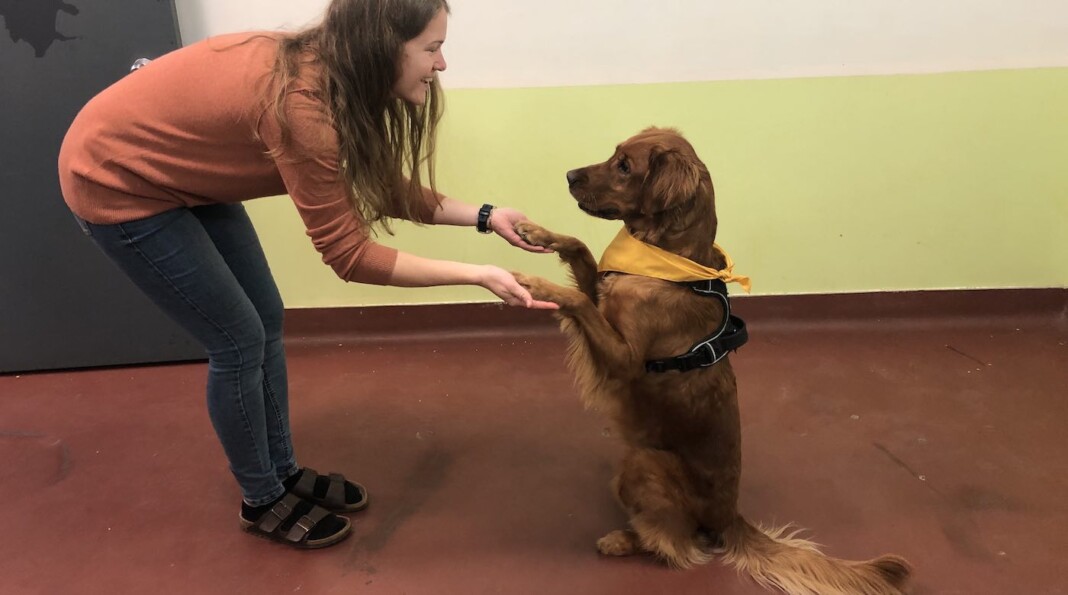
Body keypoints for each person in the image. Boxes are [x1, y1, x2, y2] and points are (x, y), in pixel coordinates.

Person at [58, 0, 555, 550]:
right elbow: (350, 257)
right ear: (382, 46)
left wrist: (485, 217)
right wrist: (478, 275)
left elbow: (375, 183)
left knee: (265, 318)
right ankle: (261, 497)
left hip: (179, 173)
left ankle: (283, 472)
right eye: (432, 48)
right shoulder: (302, 106)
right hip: (116, 180)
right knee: (237, 339)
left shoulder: (330, 72)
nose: (441, 65)